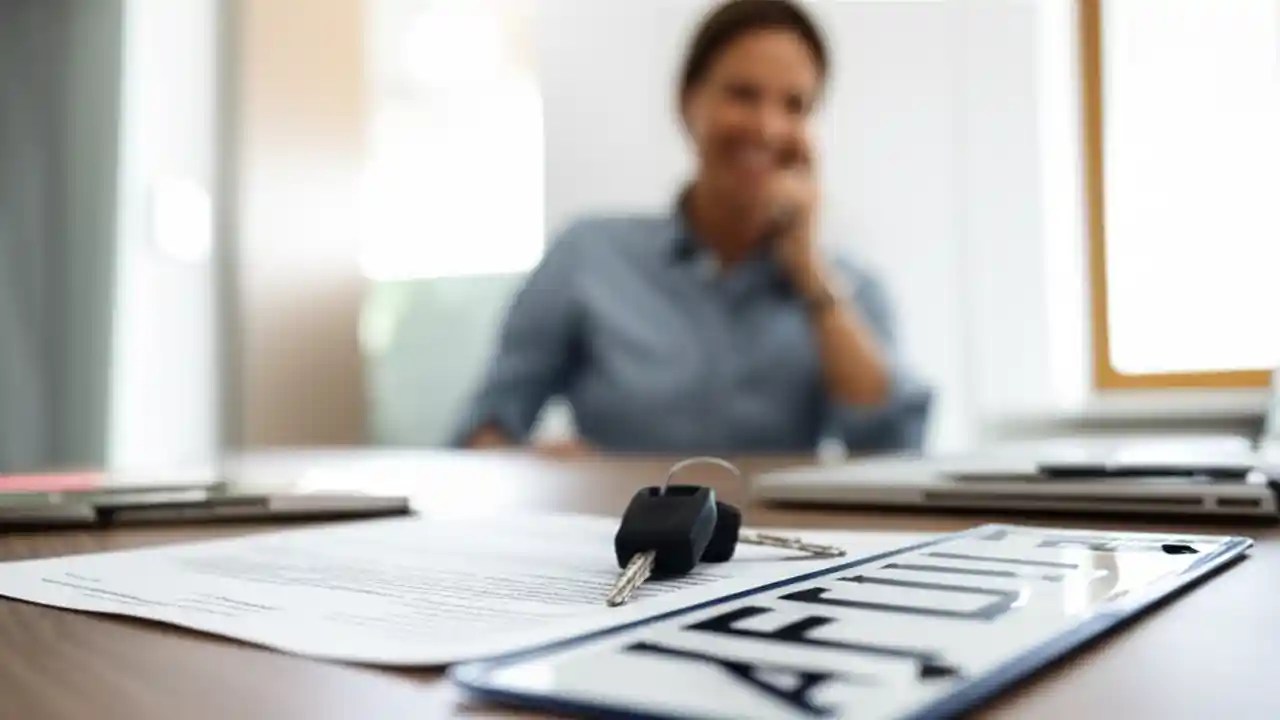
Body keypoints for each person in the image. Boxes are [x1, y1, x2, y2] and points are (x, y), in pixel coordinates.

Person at [456, 0, 930, 455]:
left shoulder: (848, 290)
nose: (767, 128)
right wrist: (529, 462)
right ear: (688, 102)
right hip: (618, 532)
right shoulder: (588, 255)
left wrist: (809, 273)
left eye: (795, 105)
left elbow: (894, 449)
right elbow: (484, 427)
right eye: (743, 95)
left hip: (777, 539)